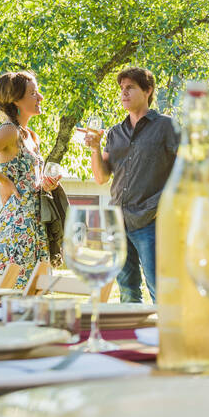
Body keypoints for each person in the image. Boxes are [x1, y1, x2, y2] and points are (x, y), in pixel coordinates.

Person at [82, 66, 178, 303]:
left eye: (130, 88)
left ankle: (165, 336)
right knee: (127, 290)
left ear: (148, 90)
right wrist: (94, 148)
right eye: (122, 89)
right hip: (118, 221)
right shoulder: (115, 133)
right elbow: (101, 177)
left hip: (151, 221)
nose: (124, 93)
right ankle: (133, 336)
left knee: (159, 288)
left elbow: (185, 172)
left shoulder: (167, 127)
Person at [0, 71, 62, 287]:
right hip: (17, 225)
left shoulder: (31, 136)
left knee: (39, 292)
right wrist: (3, 180)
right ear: (16, 100)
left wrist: (45, 183)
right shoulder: (9, 132)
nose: (40, 98)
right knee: (15, 292)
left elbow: (26, 177)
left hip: (36, 223)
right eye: (33, 93)